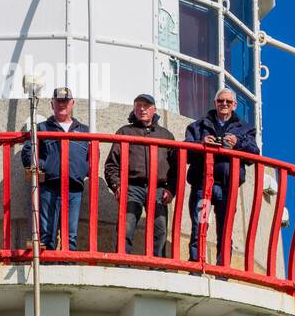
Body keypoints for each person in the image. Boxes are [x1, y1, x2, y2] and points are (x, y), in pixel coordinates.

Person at [184, 88, 259, 263]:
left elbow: (254, 154)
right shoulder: (199, 125)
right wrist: (201, 144)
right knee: (199, 226)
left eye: (228, 102)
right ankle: (196, 266)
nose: (224, 104)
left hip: (228, 189)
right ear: (215, 103)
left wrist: (237, 143)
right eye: (220, 101)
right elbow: (186, 152)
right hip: (203, 187)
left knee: (225, 231)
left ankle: (222, 271)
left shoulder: (245, 129)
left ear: (234, 105)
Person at [103, 93, 178, 257]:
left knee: (160, 229)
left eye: (146, 106)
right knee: (126, 226)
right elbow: (111, 165)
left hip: (158, 189)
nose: (142, 109)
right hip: (131, 186)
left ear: (154, 109)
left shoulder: (166, 135)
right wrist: (117, 185)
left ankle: (158, 267)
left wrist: (171, 189)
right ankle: (122, 263)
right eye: (138, 106)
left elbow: (175, 168)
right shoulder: (125, 131)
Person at [21, 87, 91, 251]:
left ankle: (69, 269)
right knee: (47, 234)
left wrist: (83, 171)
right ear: (52, 104)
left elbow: (93, 154)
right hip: (49, 187)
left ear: (72, 103)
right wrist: (43, 167)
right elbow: (27, 151)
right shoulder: (42, 127)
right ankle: (47, 269)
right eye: (58, 101)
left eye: (65, 101)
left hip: (74, 187)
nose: (62, 105)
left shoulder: (84, 130)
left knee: (71, 236)